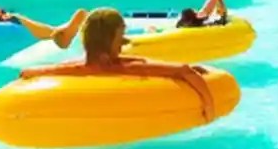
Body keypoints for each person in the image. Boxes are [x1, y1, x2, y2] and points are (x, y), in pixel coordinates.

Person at [21, 8, 216, 121]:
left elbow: (49, 70)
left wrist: (32, 72)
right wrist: (208, 105)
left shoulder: (81, 66)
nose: (122, 43)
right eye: (120, 36)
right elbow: (185, 72)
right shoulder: (123, 68)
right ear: (111, 39)